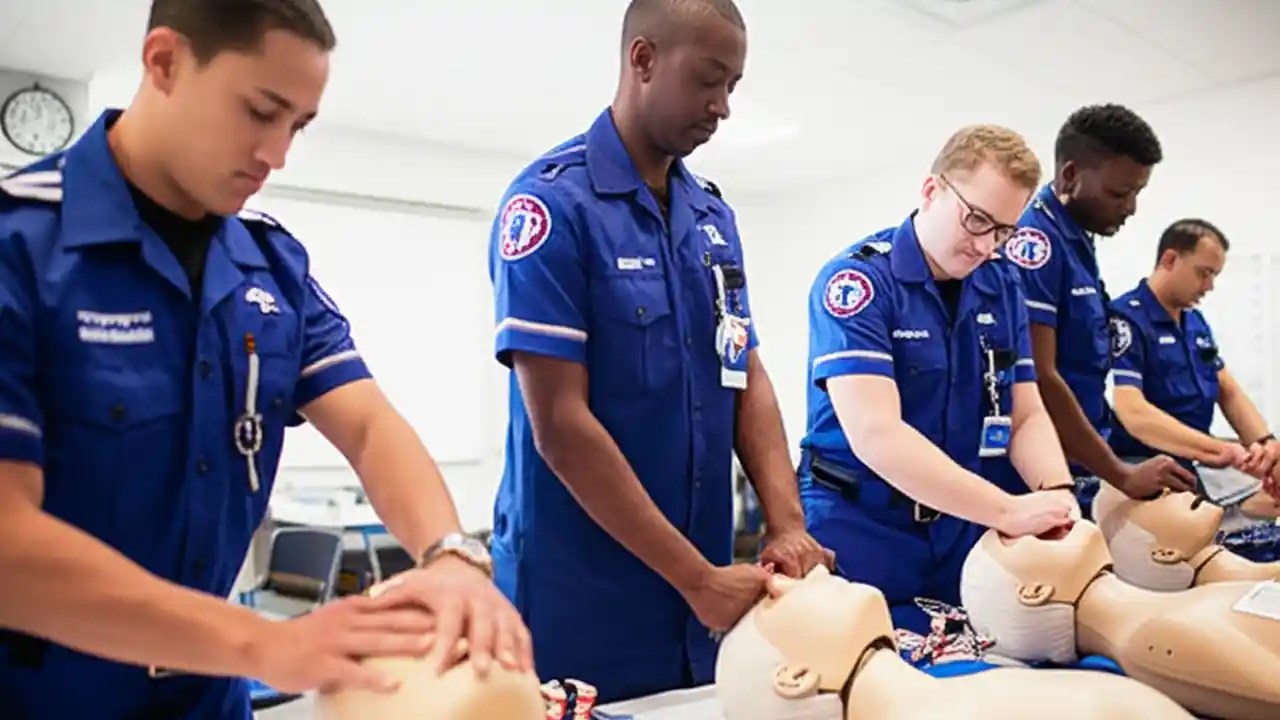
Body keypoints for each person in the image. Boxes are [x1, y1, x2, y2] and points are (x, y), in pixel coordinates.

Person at [0, 2, 529, 718]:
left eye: (298, 126)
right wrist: (262, 643)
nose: (278, 154)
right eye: (260, 110)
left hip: (209, 698)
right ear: (164, 62)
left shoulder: (270, 268)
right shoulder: (21, 250)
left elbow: (369, 427)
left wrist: (451, 556)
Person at [487, 0, 828, 703]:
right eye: (710, 80)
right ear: (642, 59)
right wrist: (696, 577)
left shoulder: (712, 218)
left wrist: (786, 521)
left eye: (733, 85)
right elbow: (560, 426)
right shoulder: (551, 208)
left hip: (701, 598)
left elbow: (745, 373)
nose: (723, 106)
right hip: (580, 598)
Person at [795, 124, 1079, 635]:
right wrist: (1009, 511)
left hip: (959, 525)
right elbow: (876, 434)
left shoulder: (1001, 283)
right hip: (863, 527)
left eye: (1004, 232)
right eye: (976, 220)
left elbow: (1025, 412)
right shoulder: (857, 283)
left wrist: (1058, 495)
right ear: (932, 191)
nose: (985, 245)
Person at [995, 104, 1196, 515]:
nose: (1131, 207)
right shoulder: (1036, 244)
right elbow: (1040, 379)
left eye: (1137, 192)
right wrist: (1120, 473)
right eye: (1120, 193)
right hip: (1039, 470)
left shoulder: (1076, 240)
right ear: (1070, 175)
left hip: (1083, 460)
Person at [1109, 219, 1280, 499]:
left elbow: (1228, 390)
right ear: (1170, 259)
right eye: (1204, 273)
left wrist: (1265, 444)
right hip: (1141, 468)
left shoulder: (1194, 322)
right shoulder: (1125, 319)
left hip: (1193, 463)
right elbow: (1132, 411)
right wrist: (1219, 450)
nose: (1210, 286)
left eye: (1215, 275)